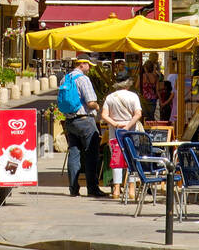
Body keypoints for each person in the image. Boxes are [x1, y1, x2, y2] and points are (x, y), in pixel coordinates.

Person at [58, 59, 106, 198]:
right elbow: (91, 102)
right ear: (82, 64)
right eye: (89, 65)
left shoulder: (65, 78)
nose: (90, 68)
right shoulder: (83, 79)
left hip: (70, 122)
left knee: (74, 155)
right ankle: (92, 188)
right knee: (92, 154)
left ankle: (73, 189)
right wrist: (99, 106)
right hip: (85, 121)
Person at [102, 81, 144, 199]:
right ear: (128, 85)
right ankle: (131, 188)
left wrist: (115, 124)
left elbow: (104, 115)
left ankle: (116, 189)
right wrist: (128, 126)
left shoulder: (110, 97)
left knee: (116, 159)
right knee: (131, 158)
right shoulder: (133, 96)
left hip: (115, 131)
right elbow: (138, 114)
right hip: (131, 130)